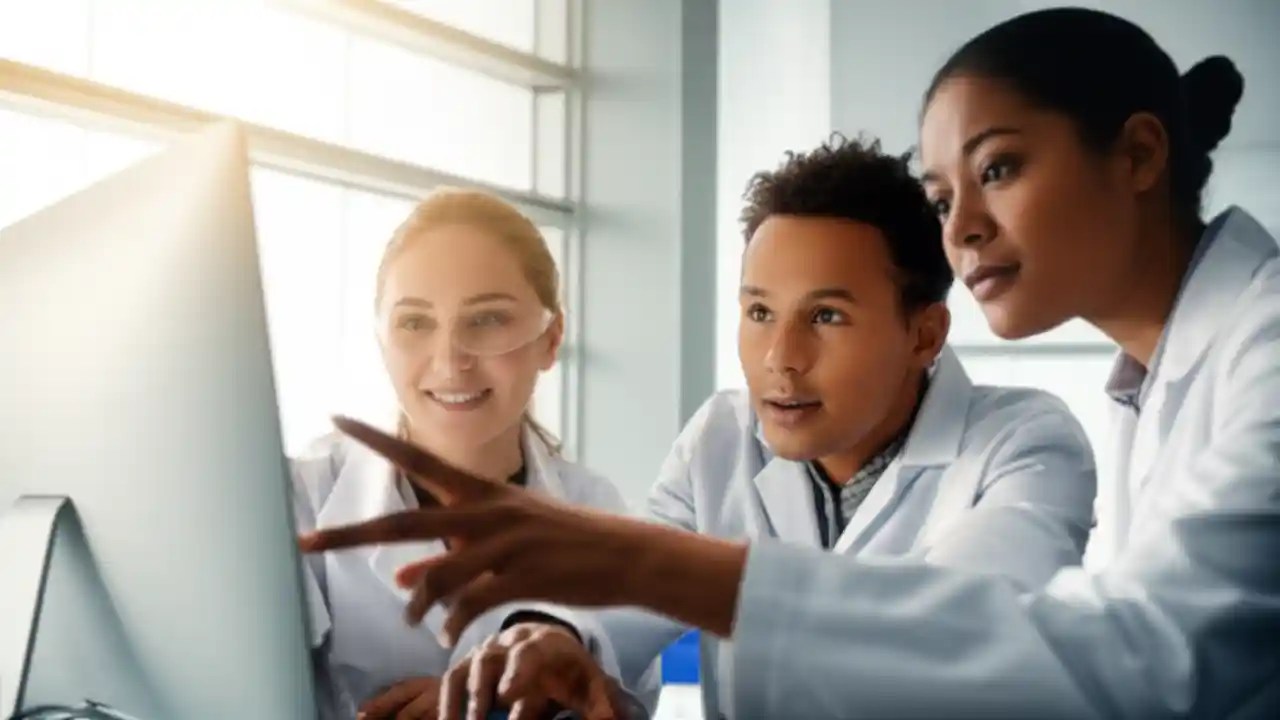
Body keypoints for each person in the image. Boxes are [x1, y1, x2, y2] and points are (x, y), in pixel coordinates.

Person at [301, 7, 1280, 718]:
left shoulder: (1048, 428)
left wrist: (649, 565)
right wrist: (554, 640)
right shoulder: (1158, 377)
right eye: (943, 198)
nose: (965, 230)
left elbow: (1050, 645)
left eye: (998, 168)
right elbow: (629, 629)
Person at [288, 189, 628, 719]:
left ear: (551, 337)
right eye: (415, 323)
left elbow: (622, 703)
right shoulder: (304, 499)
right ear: (381, 339)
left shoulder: (595, 510)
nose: (450, 363)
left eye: (488, 319)